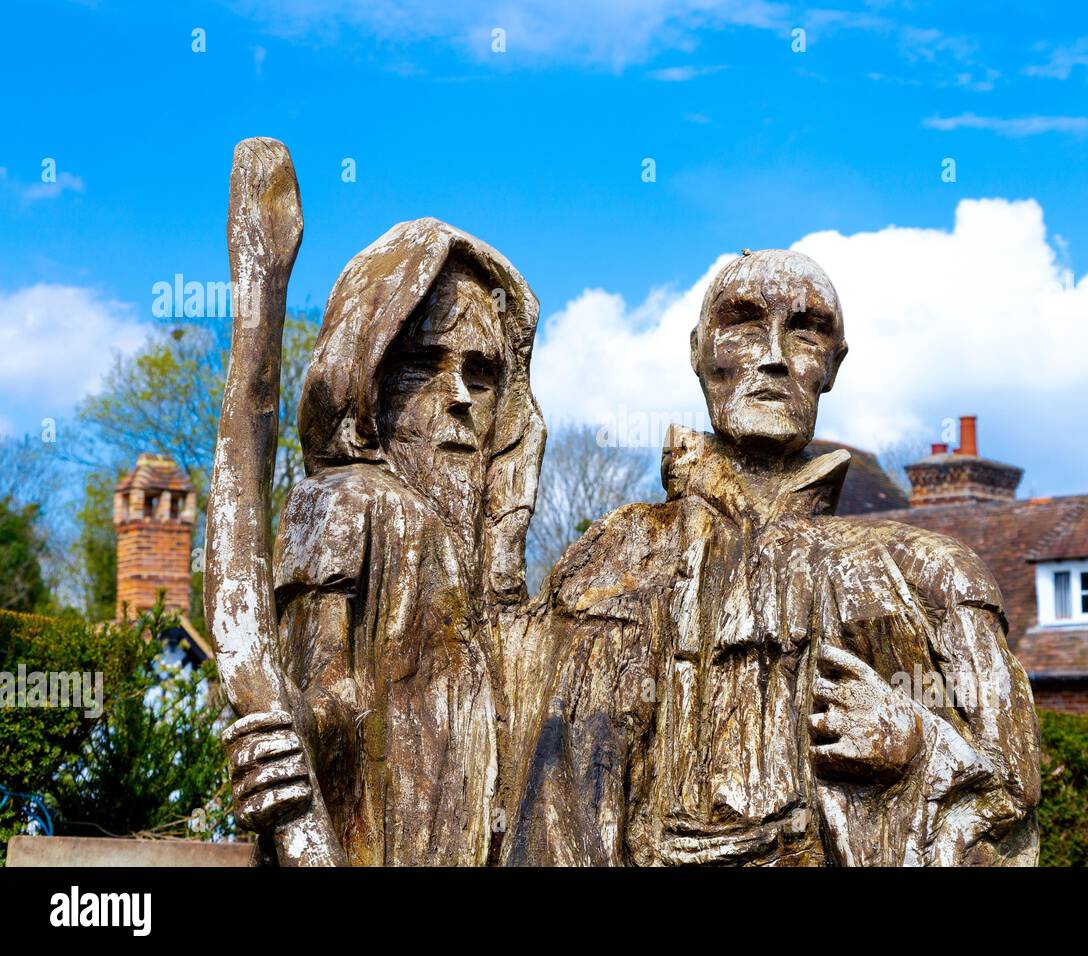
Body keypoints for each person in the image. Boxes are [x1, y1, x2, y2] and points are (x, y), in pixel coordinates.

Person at [504, 249, 1040, 866]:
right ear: (698, 352)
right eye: (744, 323)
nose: (775, 355)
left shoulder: (928, 573)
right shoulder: (613, 561)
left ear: (833, 365)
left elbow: (1011, 788)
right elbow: (544, 786)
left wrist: (918, 743)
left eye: (807, 331)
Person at [221, 219, 545, 865]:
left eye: (480, 375)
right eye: (423, 365)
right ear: (363, 372)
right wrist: (287, 744)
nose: (457, 397)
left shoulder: (494, 567)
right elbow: (327, 688)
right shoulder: (347, 501)